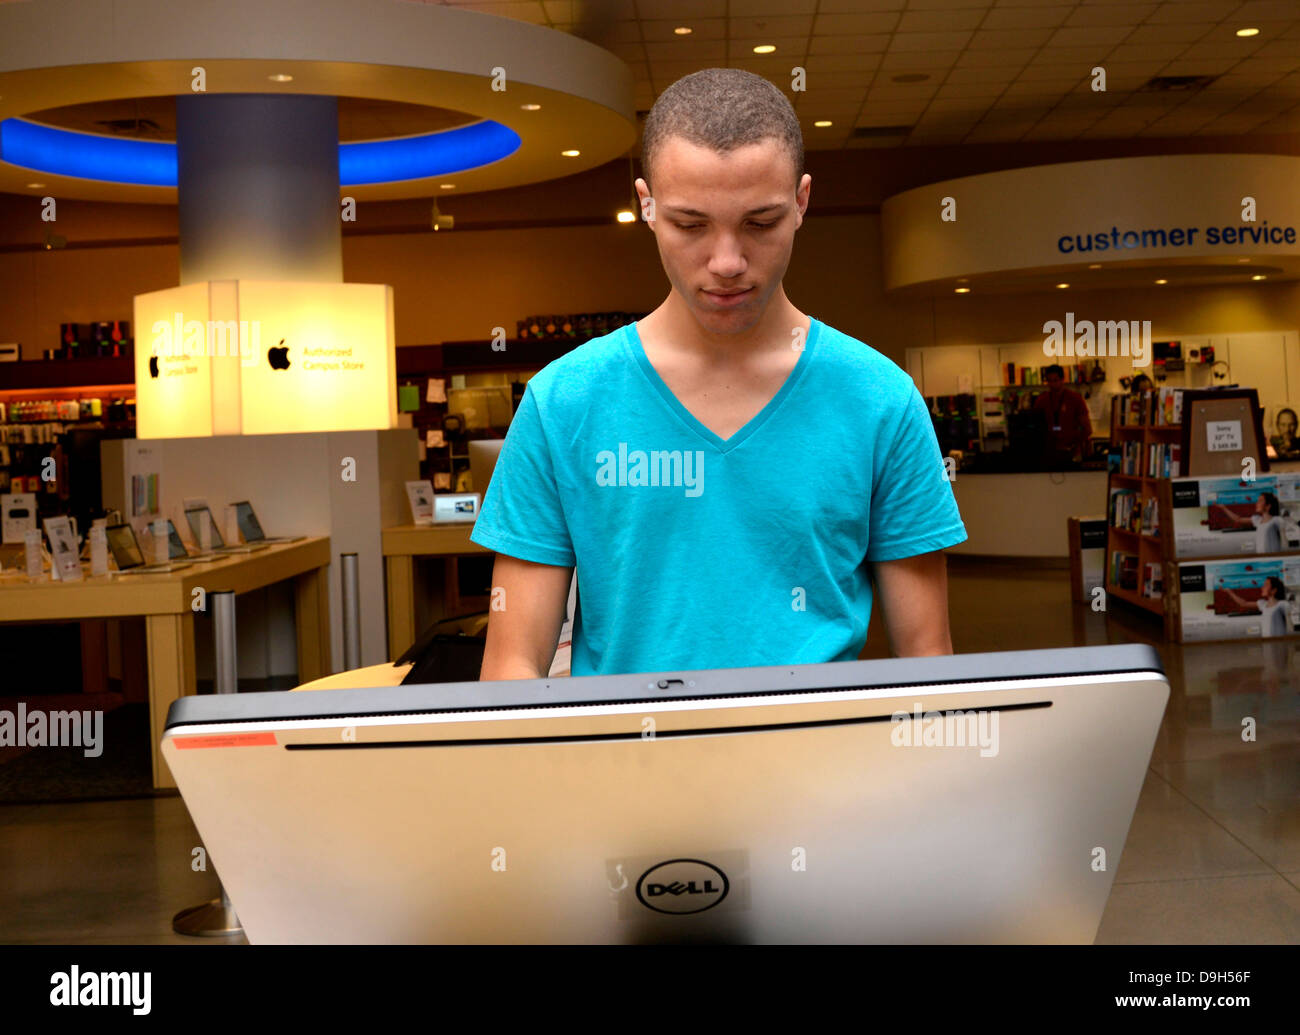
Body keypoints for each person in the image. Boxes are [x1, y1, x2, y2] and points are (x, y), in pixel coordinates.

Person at [471, 68, 967, 680]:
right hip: (624, 765)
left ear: (802, 203)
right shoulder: (565, 402)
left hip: (821, 765)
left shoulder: (879, 400)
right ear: (646, 206)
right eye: (690, 225)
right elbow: (513, 665)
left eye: (760, 223)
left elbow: (927, 663)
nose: (727, 262)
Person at [1032, 364, 1092, 467]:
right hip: (1048, 452)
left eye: (1055, 380)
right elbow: (1034, 427)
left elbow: (1087, 428)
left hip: (1071, 451)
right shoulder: (1041, 400)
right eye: (1049, 381)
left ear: (1062, 380)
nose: (1052, 384)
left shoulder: (1075, 398)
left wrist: (1077, 446)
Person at [1212, 492, 1290, 554]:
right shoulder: (1257, 520)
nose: (1257, 503)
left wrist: (1277, 499)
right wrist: (1223, 508)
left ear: (1268, 506)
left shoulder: (1276, 520)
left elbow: (1287, 514)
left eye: (1260, 501)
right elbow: (1237, 519)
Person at [1222, 576, 1290, 637]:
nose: (1262, 587)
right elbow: (1243, 603)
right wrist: (1230, 592)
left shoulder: (1282, 604)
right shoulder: (1263, 604)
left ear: (1274, 590)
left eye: (1266, 585)